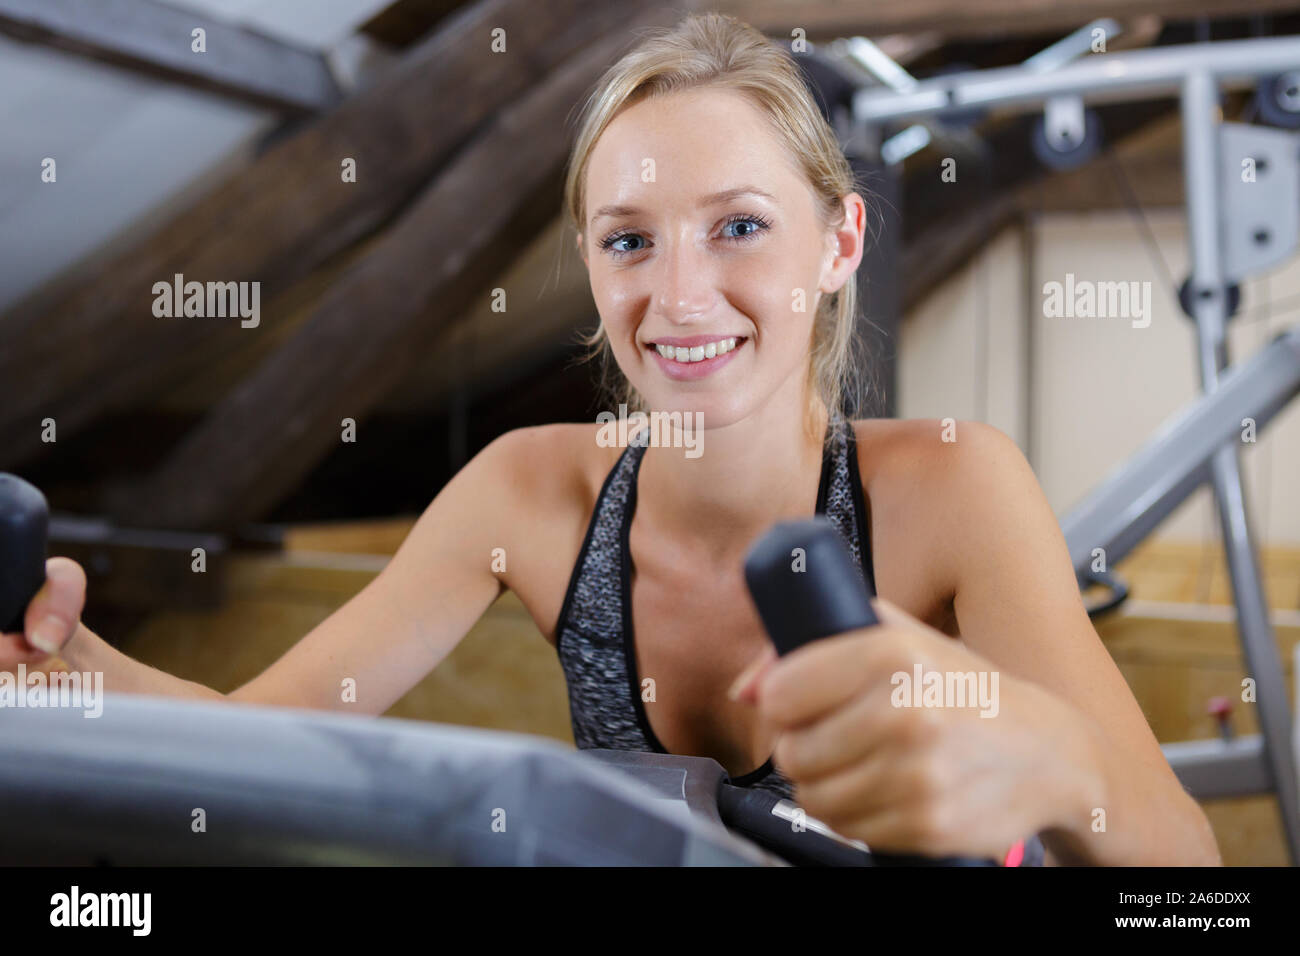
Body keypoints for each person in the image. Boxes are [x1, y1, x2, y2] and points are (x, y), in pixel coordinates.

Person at [1, 12, 1219, 866]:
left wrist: (1055, 759)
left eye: (739, 225)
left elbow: (1188, 871)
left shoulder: (955, 482)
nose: (679, 297)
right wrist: (68, 666)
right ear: (587, 262)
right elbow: (263, 734)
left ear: (840, 242)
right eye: (629, 239)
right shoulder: (524, 488)